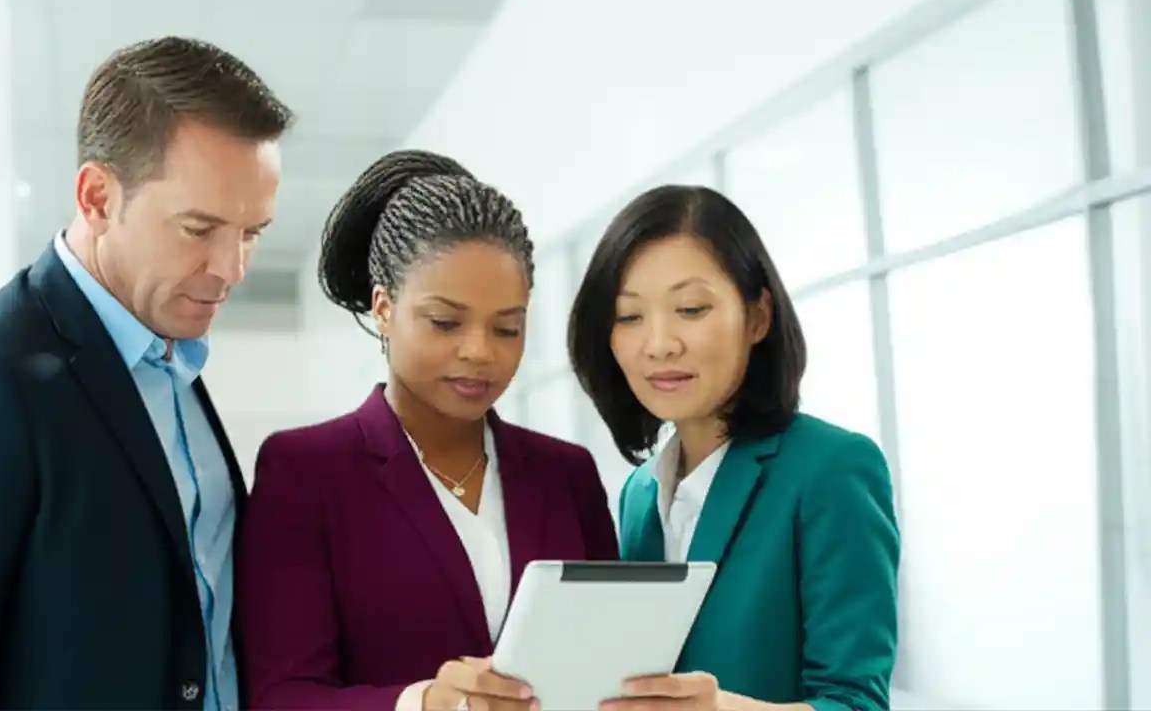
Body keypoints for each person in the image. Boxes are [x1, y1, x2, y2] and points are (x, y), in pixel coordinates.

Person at [0, 37, 293, 709]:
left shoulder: (172, 364)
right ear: (97, 196)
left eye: (252, 232)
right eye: (199, 228)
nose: (232, 267)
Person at [236, 150, 619, 710]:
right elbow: (283, 698)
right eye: (445, 322)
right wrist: (424, 703)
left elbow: (607, 662)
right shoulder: (306, 471)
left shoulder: (568, 474)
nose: (480, 352)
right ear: (384, 308)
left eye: (508, 328)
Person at [568, 185, 900, 711]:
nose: (659, 343)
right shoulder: (638, 492)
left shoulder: (831, 469)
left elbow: (856, 702)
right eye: (630, 316)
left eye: (691, 308)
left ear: (758, 317)